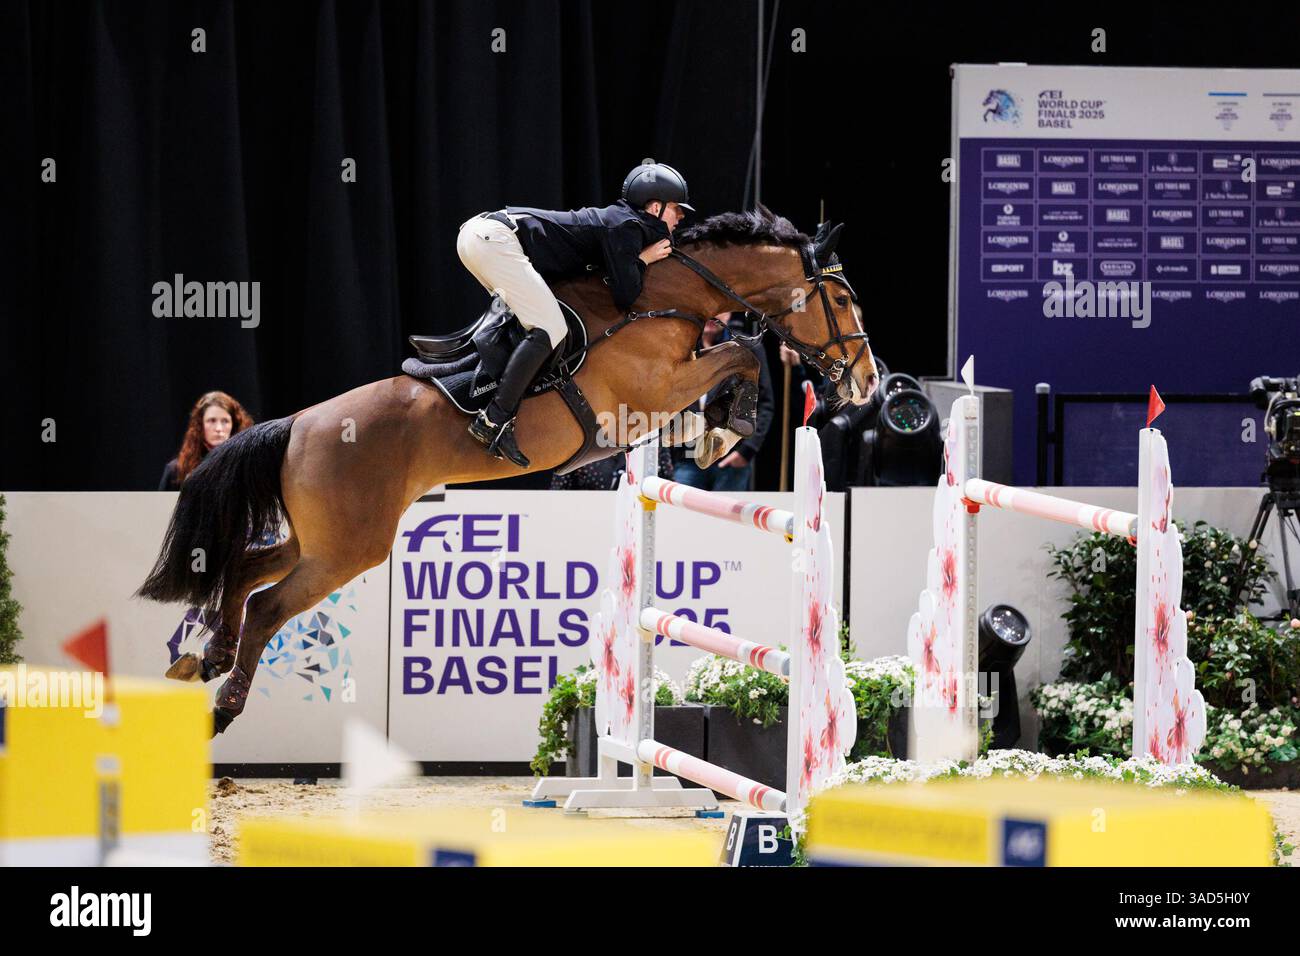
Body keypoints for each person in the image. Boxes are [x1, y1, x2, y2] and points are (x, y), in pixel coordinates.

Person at [457, 160, 693, 468]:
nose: (682, 216)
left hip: (482, 237)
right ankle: (494, 420)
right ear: (655, 207)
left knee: (538, 324)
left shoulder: (622, 221)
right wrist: (644, 259)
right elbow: (626, 295)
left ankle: (494, 404)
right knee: (551, 328)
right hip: (494, 239)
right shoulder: (626, 226)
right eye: (677, 208)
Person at [671, 313, 774, 492]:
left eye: (719, 311)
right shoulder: (681, 347)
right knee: (682, 517)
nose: (712, 316)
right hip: (687, 456)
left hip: (729, 457)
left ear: (728, 312)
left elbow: (764, 404)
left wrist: (746, 451)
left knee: (727, 519)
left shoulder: (748, 347)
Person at [158, 390, 254, 490]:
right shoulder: (176, 471)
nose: (218, 428)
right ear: (200, 425)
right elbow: (161, 505)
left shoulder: (245, 467)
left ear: (233, 425)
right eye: (212, 421)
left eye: (225, 421)